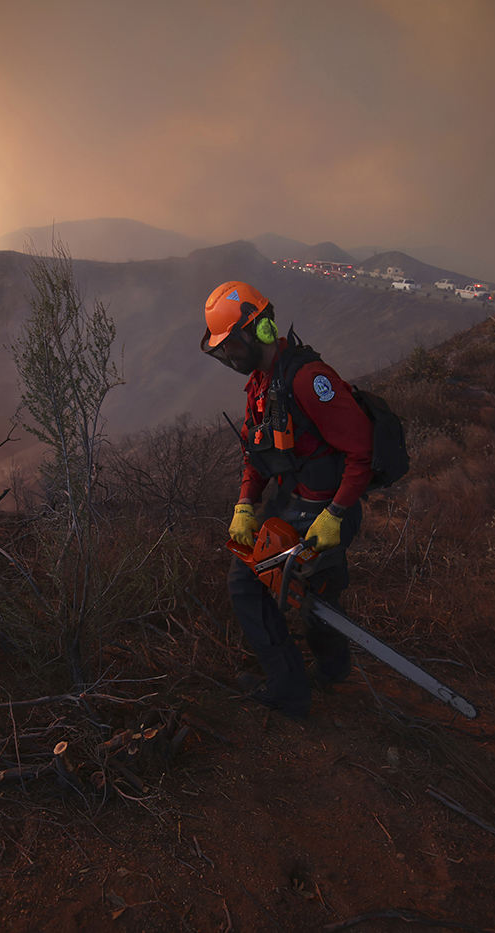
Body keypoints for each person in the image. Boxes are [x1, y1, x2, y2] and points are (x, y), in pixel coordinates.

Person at [201, 281, 374, 720]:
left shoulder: (308, 379)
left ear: (258, 330)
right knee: (317, 594)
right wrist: (245, 503)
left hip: (327, 509)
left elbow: (362, 451)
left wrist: (336, 514)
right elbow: (257, 455)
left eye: (232, 346)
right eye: (223, 351)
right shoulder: (261, 386)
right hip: (295, 503)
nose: (230, 358)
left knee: (246, 584)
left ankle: (288, 692)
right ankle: (333, 671)